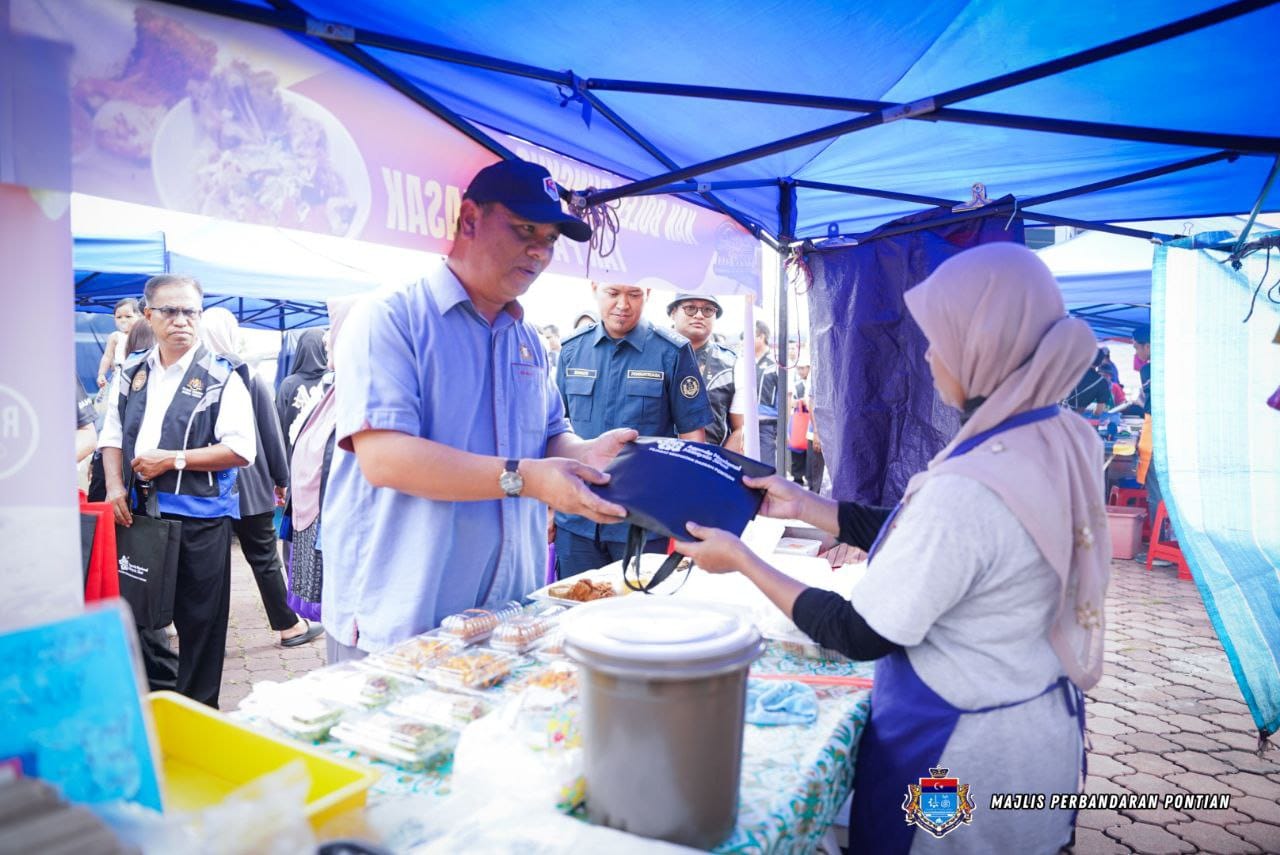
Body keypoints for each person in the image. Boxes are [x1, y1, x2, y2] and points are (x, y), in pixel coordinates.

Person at [676, 243, 1106, 855]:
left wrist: (744, 560)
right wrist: (806, 504)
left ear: (984, 344)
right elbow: (940, 541)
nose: (930, 355)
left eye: (941, 336)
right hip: (1037, 730)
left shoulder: (972, 485)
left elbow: (860, 631)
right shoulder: (1063, 436)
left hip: (961, 759)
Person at [322, 158, 639, 661]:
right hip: (402, 620)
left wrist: (586, 453)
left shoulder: (528, 338)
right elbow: (386, 460)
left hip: (507, 618)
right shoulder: (391, 317)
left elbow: (550, 434)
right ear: (469, 219)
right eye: (524, 230)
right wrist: (529, 478)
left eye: (551, 238)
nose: (539, 250)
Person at [99, 275, 256, 708]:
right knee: (142, 617)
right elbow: (110, 435)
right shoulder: (131, 371)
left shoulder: (223, 376)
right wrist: (114, 485)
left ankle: (200, 712)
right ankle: (159, 707)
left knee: (200, 625)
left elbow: (242, 449)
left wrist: (173, 459)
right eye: (170, 311)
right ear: (149, 315)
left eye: (191, 311)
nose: (182, 320)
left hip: (200, 518)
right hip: (142, 516)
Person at [554, 282, 712, 577]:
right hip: (576, 518)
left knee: (637, 615)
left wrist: (692, 510)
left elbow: (693, 438)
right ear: (595, 288)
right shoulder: (572, 350)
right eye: (613, 293)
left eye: (634, 294)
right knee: (573, 612)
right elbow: (554, 427)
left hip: (642, 521)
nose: (623, 305)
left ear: (648, 293)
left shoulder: (671, 352)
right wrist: (549, 508)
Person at [202, 309, 323, 649]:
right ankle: (289, 627)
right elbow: (270, 435)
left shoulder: (196, 378)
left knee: (207, 566)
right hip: (250, 486)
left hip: (205, 490)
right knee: (264, 557)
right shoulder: (247, 374)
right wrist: (281, 479)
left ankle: (206, 639)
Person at [666, 292, 742, 447]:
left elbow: (741, 428)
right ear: (673, 313)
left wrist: (719, 466)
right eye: (690, 308)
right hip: (655, 462)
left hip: (709, 463)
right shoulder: (651, 354)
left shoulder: (732, 364)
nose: (699, 315)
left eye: (708, 310)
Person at [730, 320, 780, 464]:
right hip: (741, 424)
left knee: (765, 469)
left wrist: (783, 430)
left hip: (766, 425)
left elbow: (786, 397)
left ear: (761, 337)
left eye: (748, 337)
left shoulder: (776, 362)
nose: (744, 342)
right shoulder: (741, 361)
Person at [276, 328, 327, 453]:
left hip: (294, 458)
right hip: (325, 459)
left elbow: (278, 428)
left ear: (300, 351)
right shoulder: (332, 382)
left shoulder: (288, 385)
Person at [95, 297, 140, 390]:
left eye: (128, 316)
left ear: (140, 316)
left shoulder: (143, 334)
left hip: (139, 375)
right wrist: (101, 374)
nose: (123, 320)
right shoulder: (115, 336)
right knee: (117, 401)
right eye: (119, 317)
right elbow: (107, 356)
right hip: (119, 374)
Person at [1065, 349, 1113, 416]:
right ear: (1100, 362)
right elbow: (1098, 411)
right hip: (1078, 416)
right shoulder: (1101, 382)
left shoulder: (1072, 372)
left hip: (1060, 412)